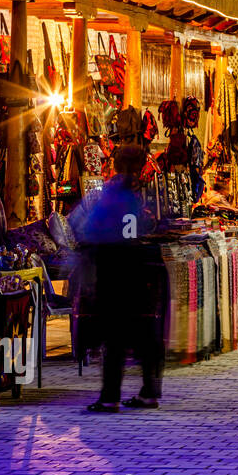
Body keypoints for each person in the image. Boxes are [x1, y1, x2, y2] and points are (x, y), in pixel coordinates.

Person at [70, 145, 165, 412]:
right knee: (141, 333)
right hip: (132, 265)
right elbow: (133, 228)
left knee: (115, 335)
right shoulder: (134, 193)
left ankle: (110, 396)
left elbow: (93, 228)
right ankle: (148, 392)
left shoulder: (114, 192)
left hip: (113, 267)